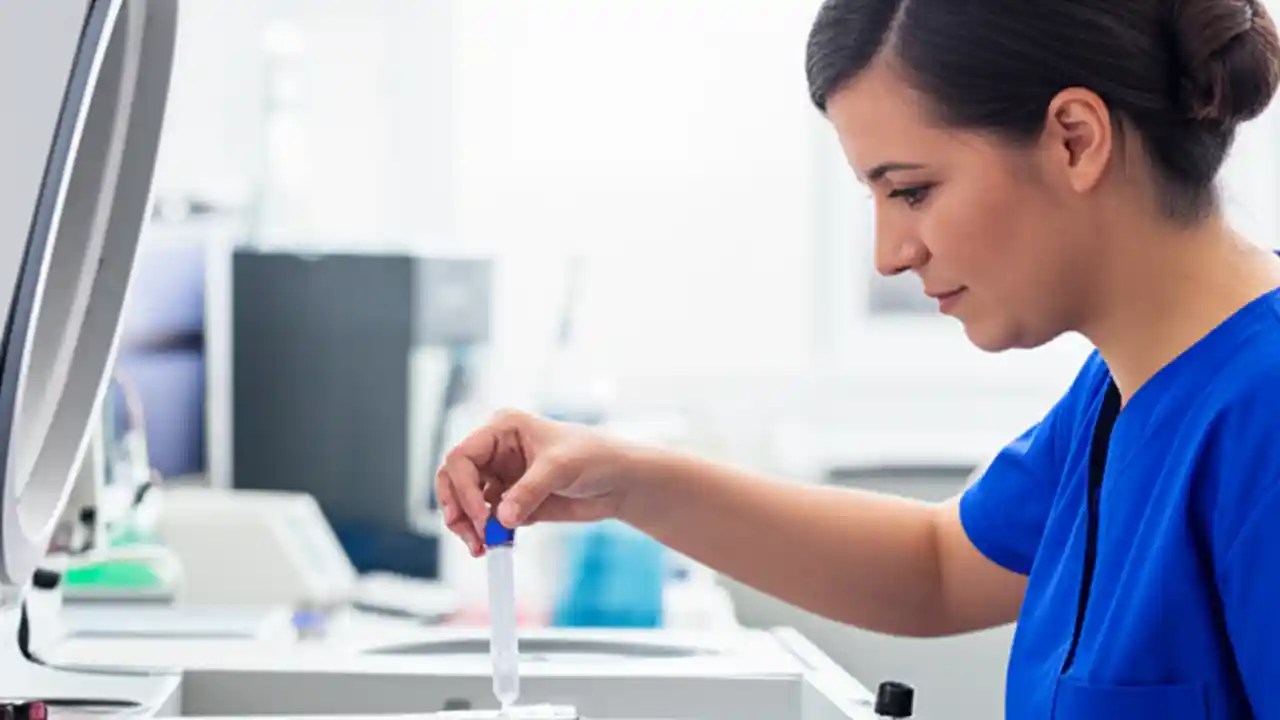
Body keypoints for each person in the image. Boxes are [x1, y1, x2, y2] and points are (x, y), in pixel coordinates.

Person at [437, 1, 1280, 717]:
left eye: (911, 190)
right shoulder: (1119, 396)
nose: (888, 252)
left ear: (1073, 139)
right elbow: (936, 569)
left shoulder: (1261, 414)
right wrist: (625, 481)